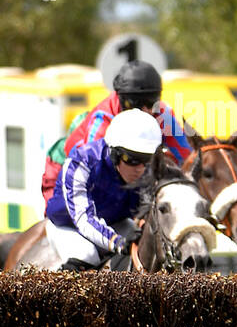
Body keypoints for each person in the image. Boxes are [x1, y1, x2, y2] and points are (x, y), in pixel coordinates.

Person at [40, 60, 196, 203]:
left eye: (151, 103)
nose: (145, 111)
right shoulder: (103, 121)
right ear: (121, 100)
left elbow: (187, 159)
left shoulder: (162, 113)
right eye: (136, 104)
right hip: (62, 172)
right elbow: (92, 178)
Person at [45, 109, 161, 272]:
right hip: (68, 226)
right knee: (86, 255)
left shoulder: (148, 171)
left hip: (116, 223)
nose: (140, 169)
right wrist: (117, 243)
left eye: (147, 160)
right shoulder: (81, 162)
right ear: (114, 153)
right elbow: (84, 219)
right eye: (132, 159)